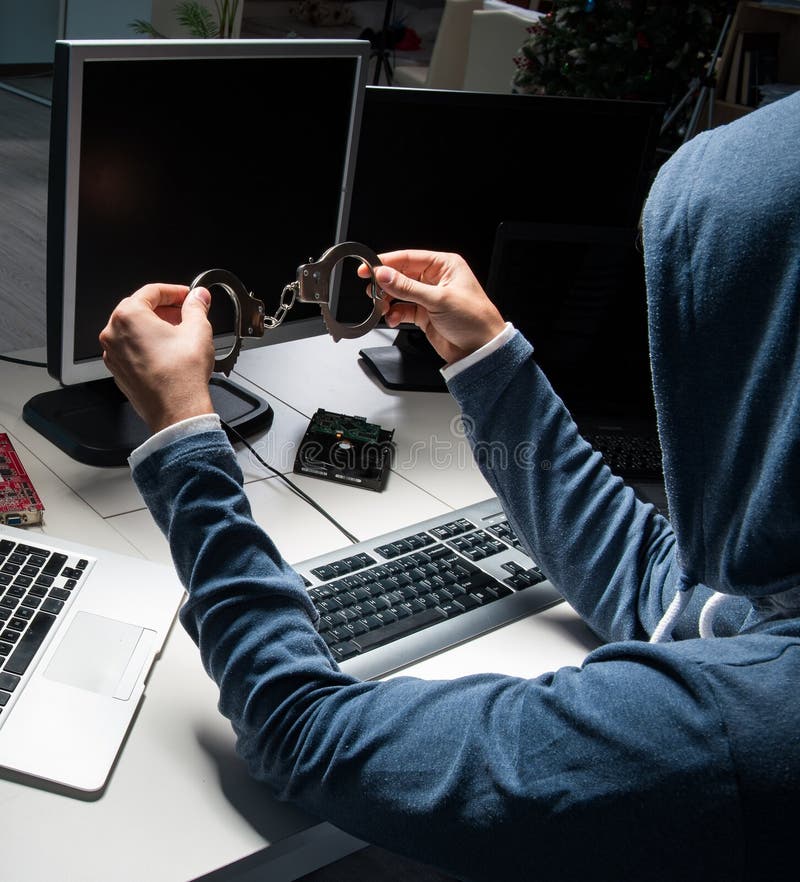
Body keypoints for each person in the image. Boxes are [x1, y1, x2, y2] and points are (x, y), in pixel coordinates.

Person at [99, 91, 800, 881]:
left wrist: (183, 436)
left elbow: (300, 730)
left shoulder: (734, 732)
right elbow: (656, 583)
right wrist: (488, 356)